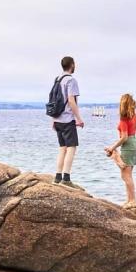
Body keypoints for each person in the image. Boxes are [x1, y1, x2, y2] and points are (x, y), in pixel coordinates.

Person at [46, 55, 84, 185]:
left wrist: (53, 119)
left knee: (62, 148)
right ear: (72, 65)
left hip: (57, 119)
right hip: (68, 119)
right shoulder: (71, 80)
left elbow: (53, 100)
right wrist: (79, 119)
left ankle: (57, 176)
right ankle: (66, 178)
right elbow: (71, 100)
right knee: (71, 147)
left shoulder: (57, 79)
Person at [104, 93, 136, 206]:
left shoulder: (124, 119)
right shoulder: (134, 115)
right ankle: (129, 200)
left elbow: (124, 137)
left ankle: (133, 200)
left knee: (126, 175)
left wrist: (112, 147)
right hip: (133, 143)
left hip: (128, 145)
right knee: (126, 174)